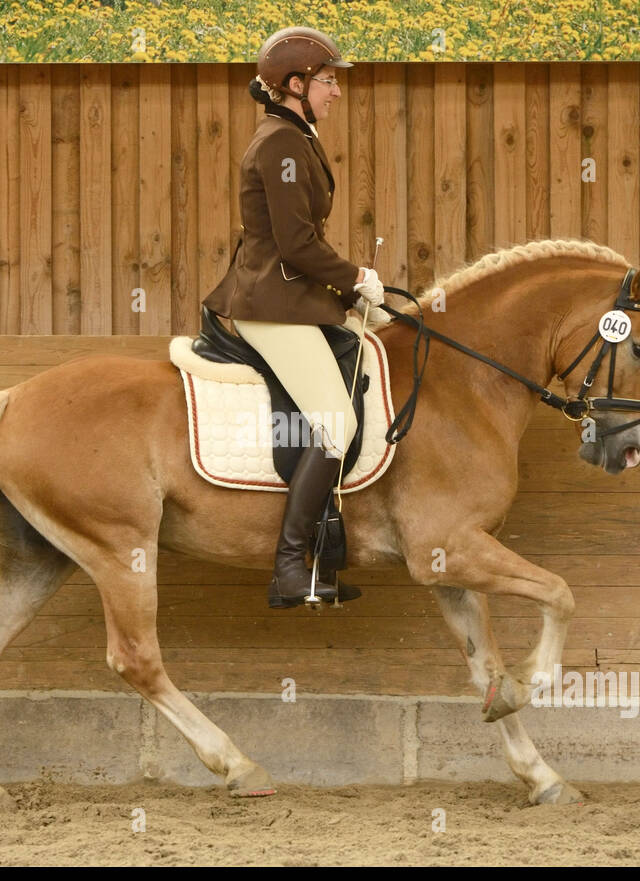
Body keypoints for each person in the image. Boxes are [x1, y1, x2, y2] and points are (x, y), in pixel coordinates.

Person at [202, 25, 386, 609]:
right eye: (329, 82)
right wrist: (356, 278)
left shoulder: (294, 135)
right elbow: (296, 245)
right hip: (271, 306)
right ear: (296, 84)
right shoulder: (281, 144)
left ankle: (329, 545)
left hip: (292, 299)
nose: (336, 92)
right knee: (337, 424)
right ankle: (288, 567)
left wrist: (349, 295)